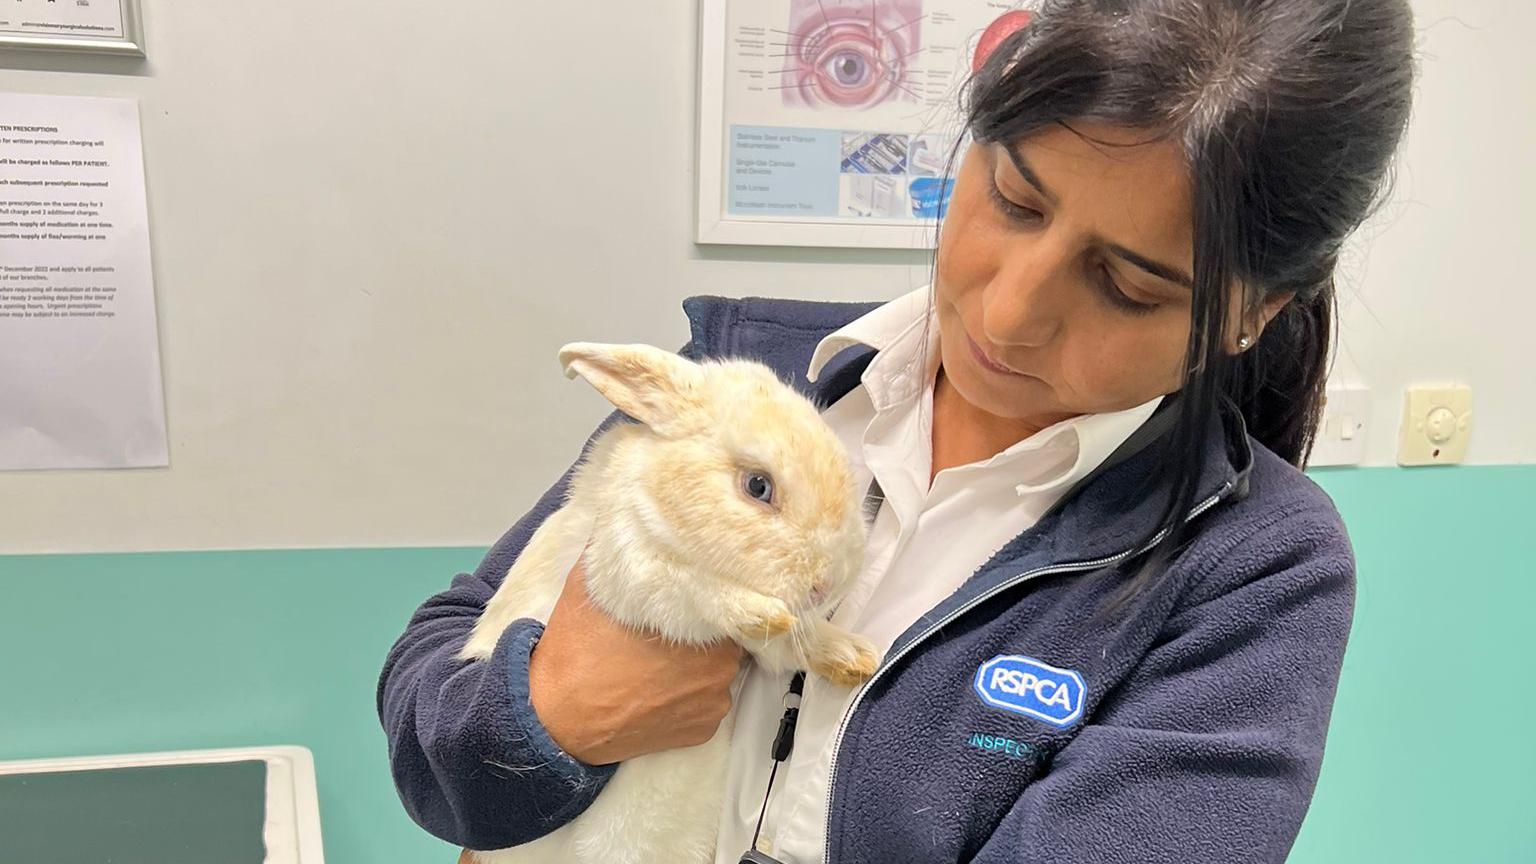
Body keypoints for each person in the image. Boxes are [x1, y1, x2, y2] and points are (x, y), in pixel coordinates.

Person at [378, 0, 1416, 860]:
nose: (1008, 312)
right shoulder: (751, 386)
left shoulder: (1255, 571)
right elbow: (437, 680)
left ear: (1254, 312)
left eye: (1127, 286)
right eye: (1013, 199)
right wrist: (546, 714)